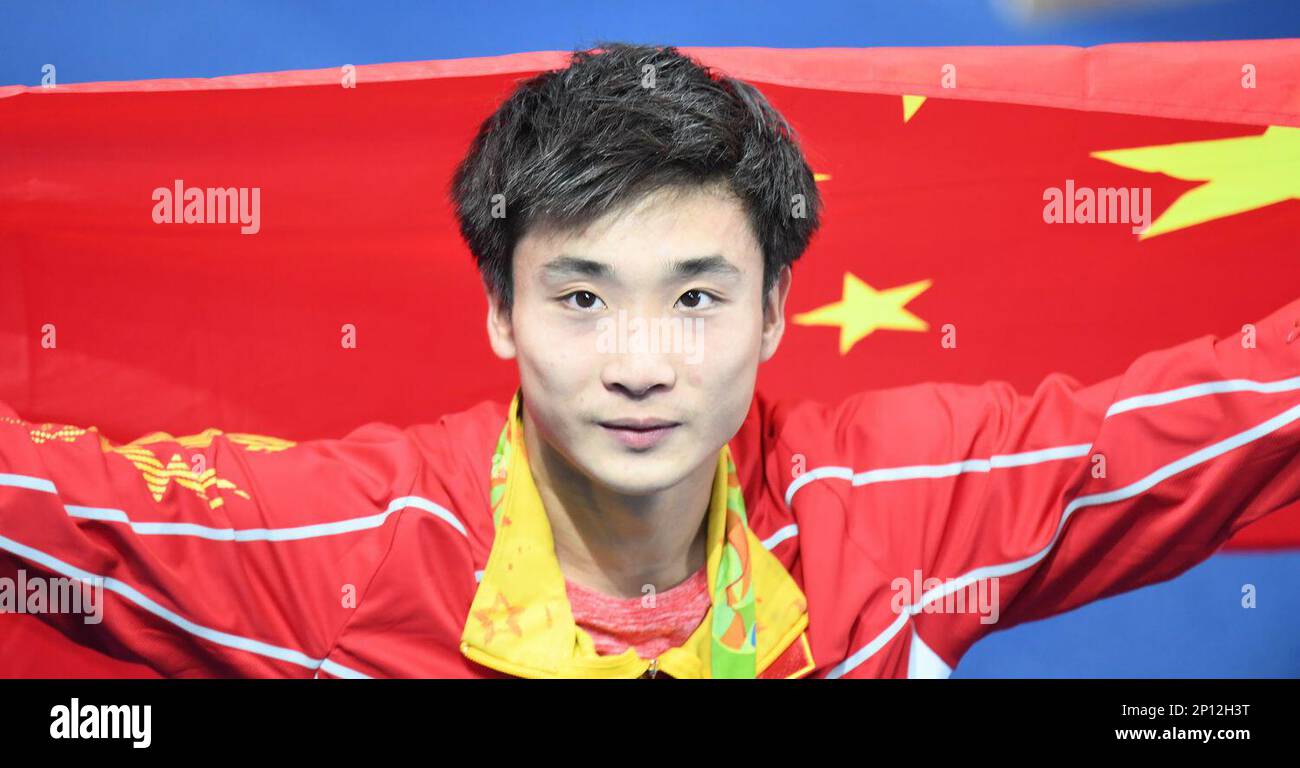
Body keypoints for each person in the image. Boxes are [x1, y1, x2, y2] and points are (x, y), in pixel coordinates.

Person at [1, 43, 1297, 679]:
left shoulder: (896, 510)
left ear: (777, 311)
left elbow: (1226, 417)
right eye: (579, 297)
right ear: (501, 317)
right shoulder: (353, 553)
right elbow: (50, 515)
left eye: (694, 297)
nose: (638, 363)